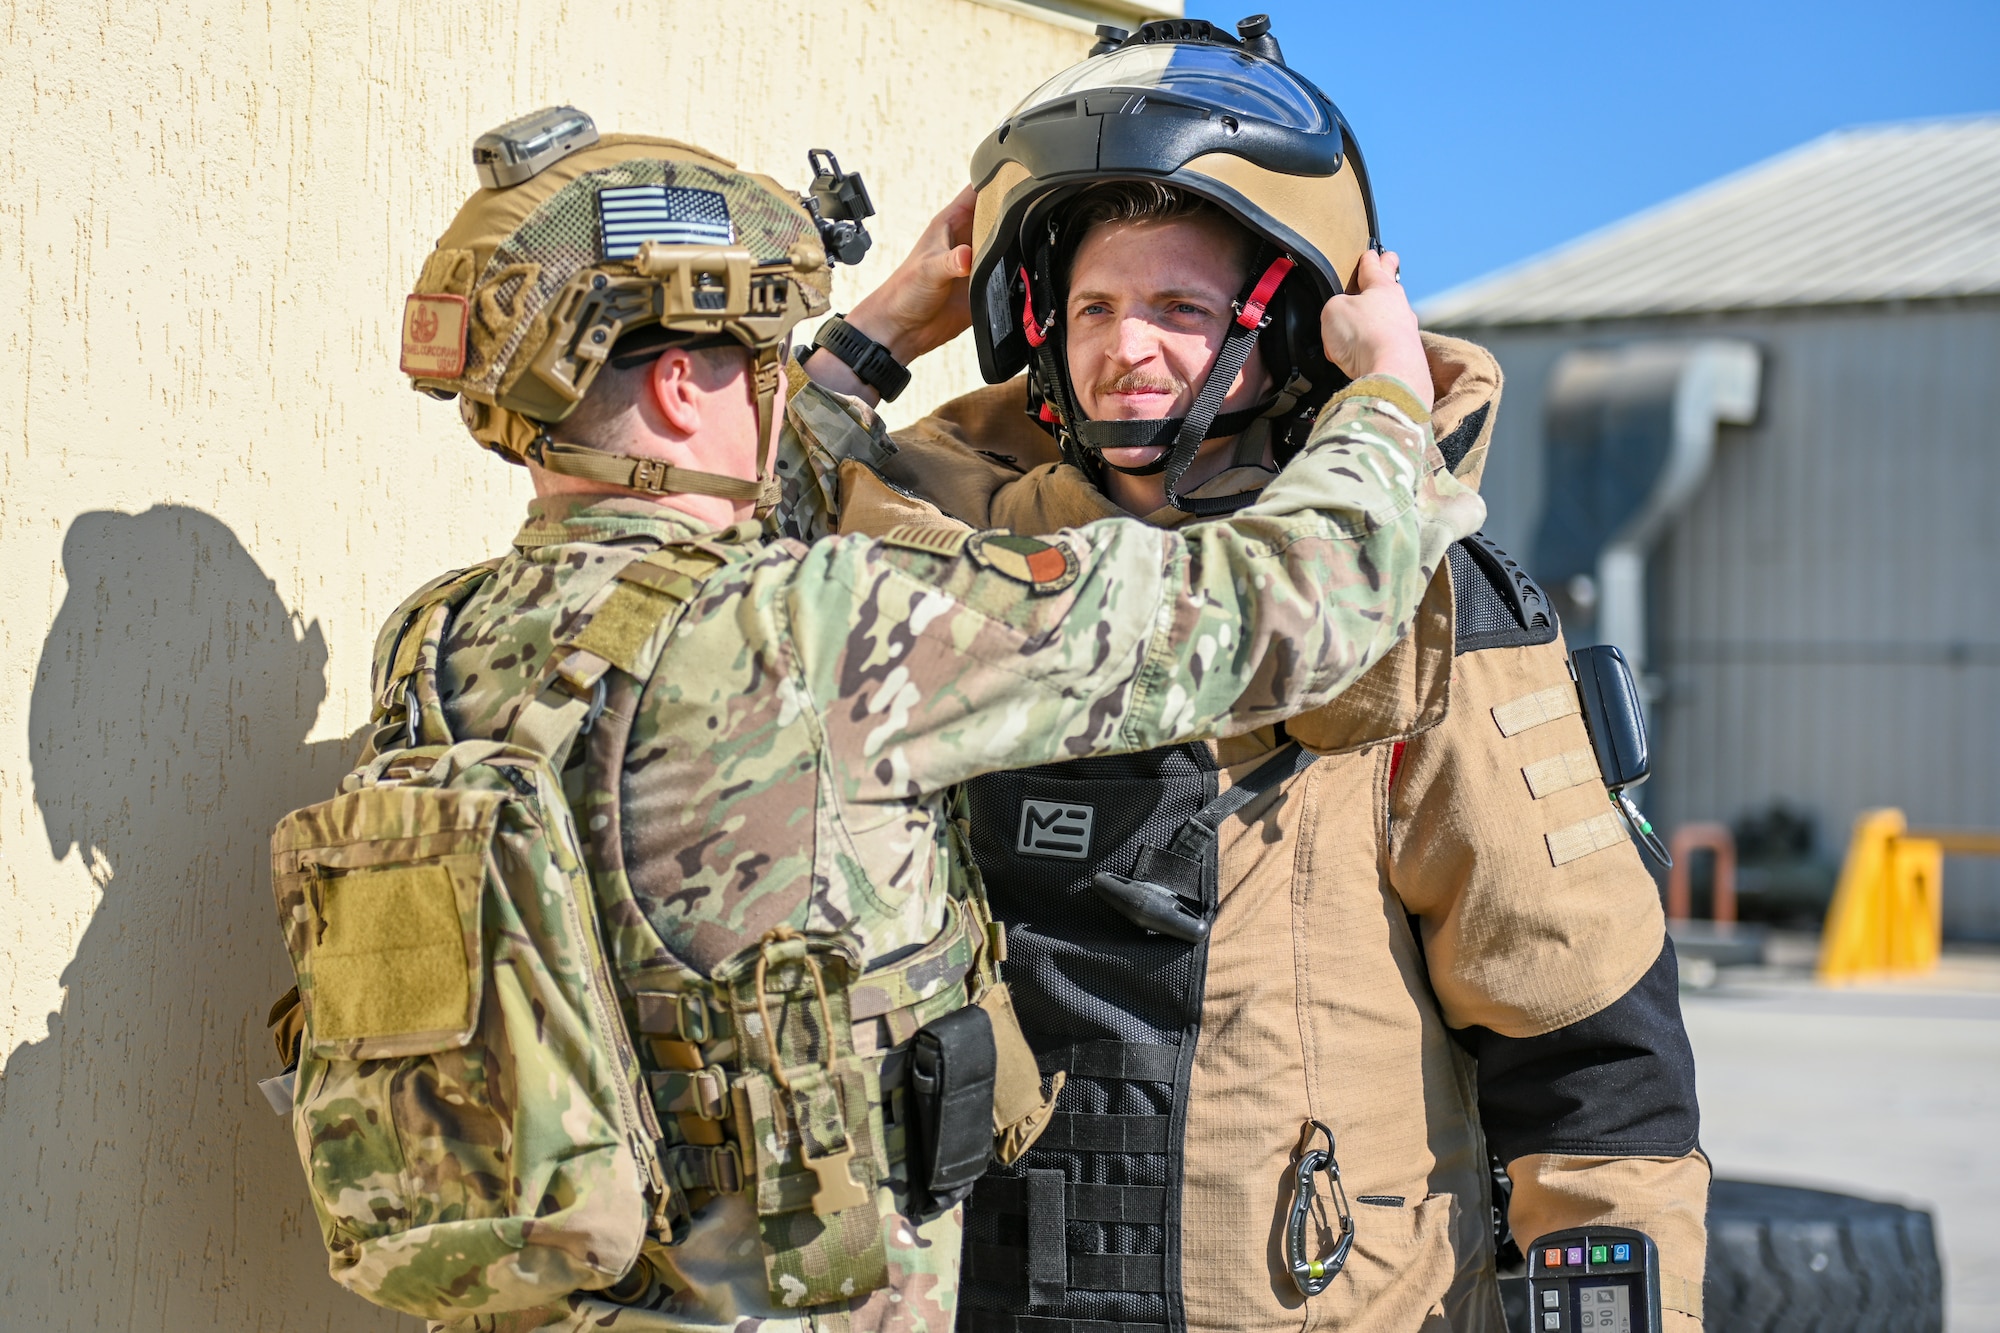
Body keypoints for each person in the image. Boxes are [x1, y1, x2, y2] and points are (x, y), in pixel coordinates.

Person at [349, 113, 1480, 1332]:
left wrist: (871, 343)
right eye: (760, 361)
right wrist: (1383, 394)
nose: (778, 389)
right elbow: (1295, 601)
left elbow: (699, 565)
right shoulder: (831, 628)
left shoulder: (439, 639)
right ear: (679, 389)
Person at [789, 21, 1709, 1333]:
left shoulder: (1422, 605)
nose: (1128, 349)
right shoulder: (928, 564)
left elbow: (1589, 1052)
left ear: (1290, 323)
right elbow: (695, 561)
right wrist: (870, 336)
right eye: (1094, 306)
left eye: (1180, 310)